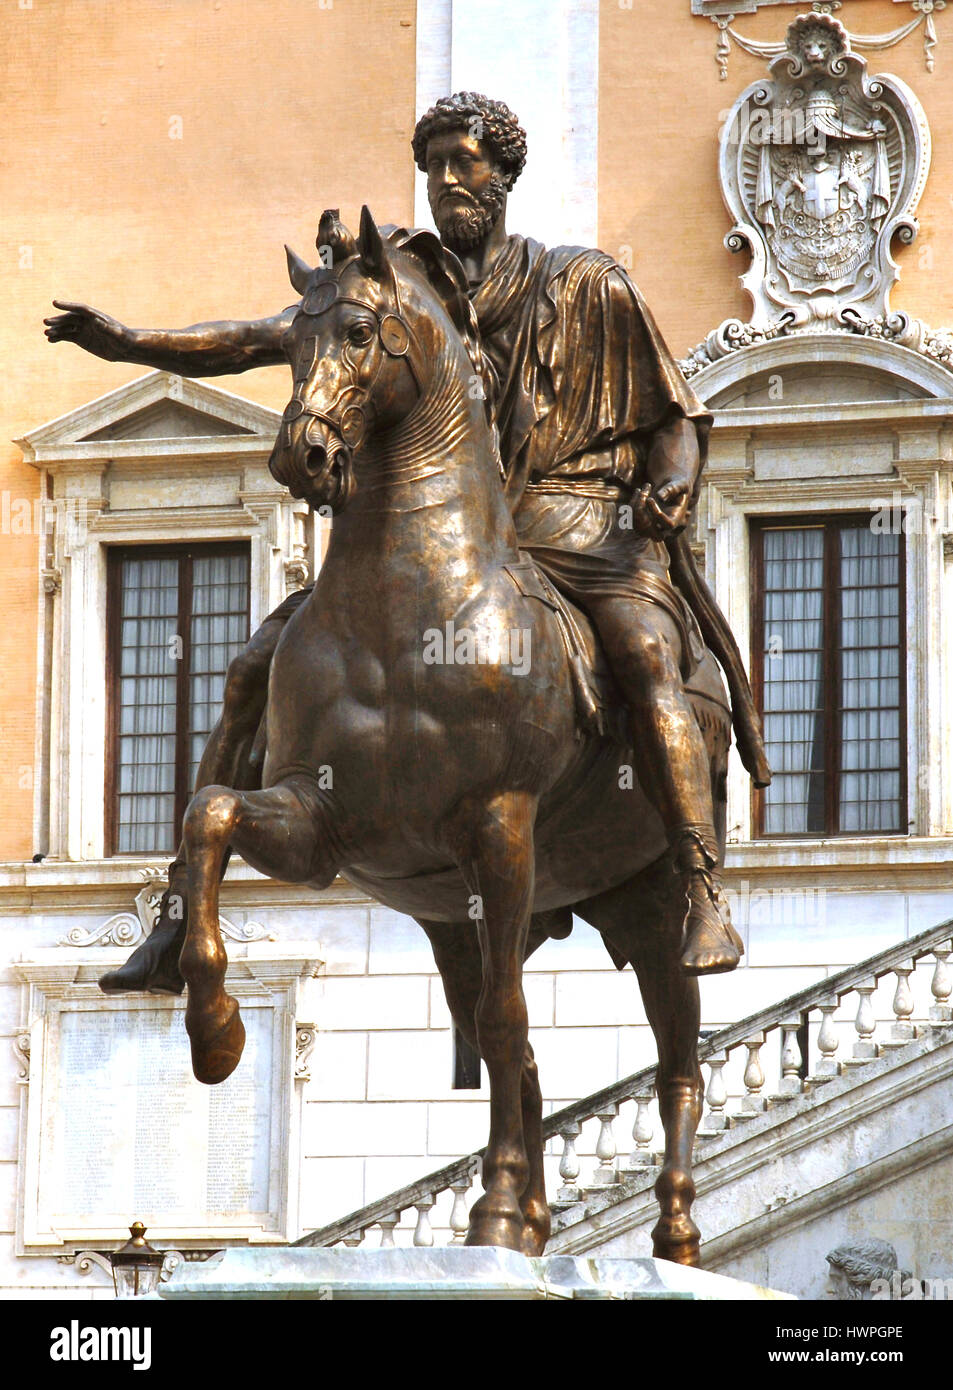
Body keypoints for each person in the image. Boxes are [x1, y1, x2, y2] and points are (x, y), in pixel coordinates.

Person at [45, 92, 768, 994]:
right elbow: (254, 340)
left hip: (571, 522)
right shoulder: (400, 289)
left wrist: (671, 481)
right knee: (256, 663)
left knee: (640, 652)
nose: (447, 182)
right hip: (453, 535)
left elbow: (675, 414)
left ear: (504, 175)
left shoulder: (585, 283)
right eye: (433, 167)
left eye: (464, 163)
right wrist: (128, 342)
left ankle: (700, 884)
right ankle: (174, 914)